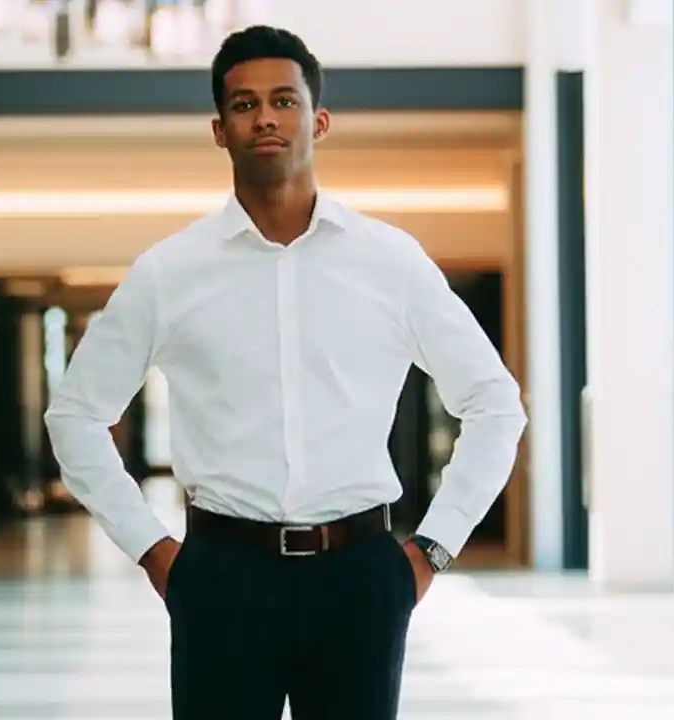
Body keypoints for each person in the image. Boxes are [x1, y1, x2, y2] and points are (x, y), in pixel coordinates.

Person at [44, 24, 527, 720]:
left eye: (283, 101)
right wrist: (152, 550)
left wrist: (431, 551)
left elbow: (495, 404)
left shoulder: (389, 262)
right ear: (219, 130)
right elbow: (75, 416)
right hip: (221, 578)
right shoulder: (170, 273)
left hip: (360, 576)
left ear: (318, 120)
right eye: (244, 105)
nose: (264, 118)